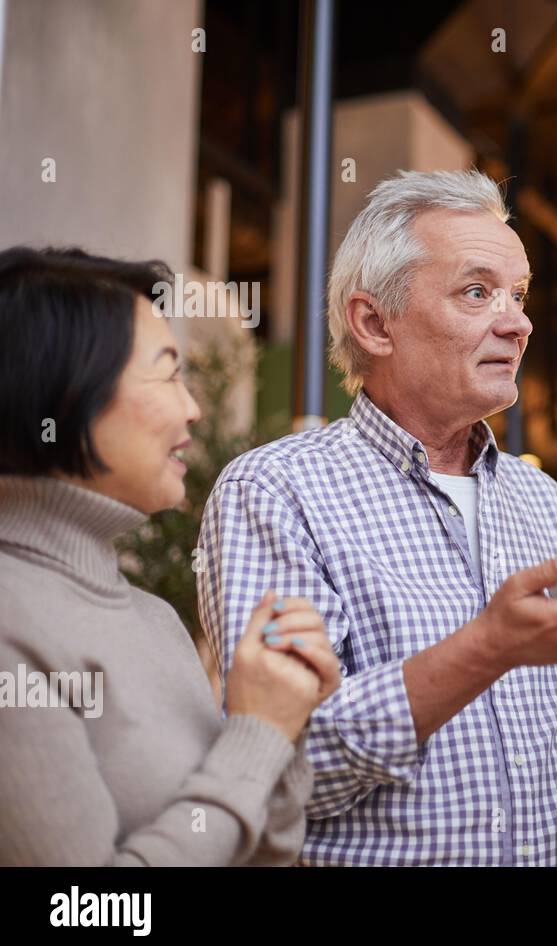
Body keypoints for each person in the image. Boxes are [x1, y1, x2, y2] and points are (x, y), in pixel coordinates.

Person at [197, 169, 557, 866]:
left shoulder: (546, 505)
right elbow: (281, 766)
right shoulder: (278, 491)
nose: (518, 320)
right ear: (374, 323)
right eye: (478, 292)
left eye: (519, 294)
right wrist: (484, 650)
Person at [0, 246, 338, 865]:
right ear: (64, 391)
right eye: (167, 372)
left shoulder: (154, 620)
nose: (194, 408)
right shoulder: (12, 622)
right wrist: (258, 736)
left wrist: (284, 726)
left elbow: (260, 852)